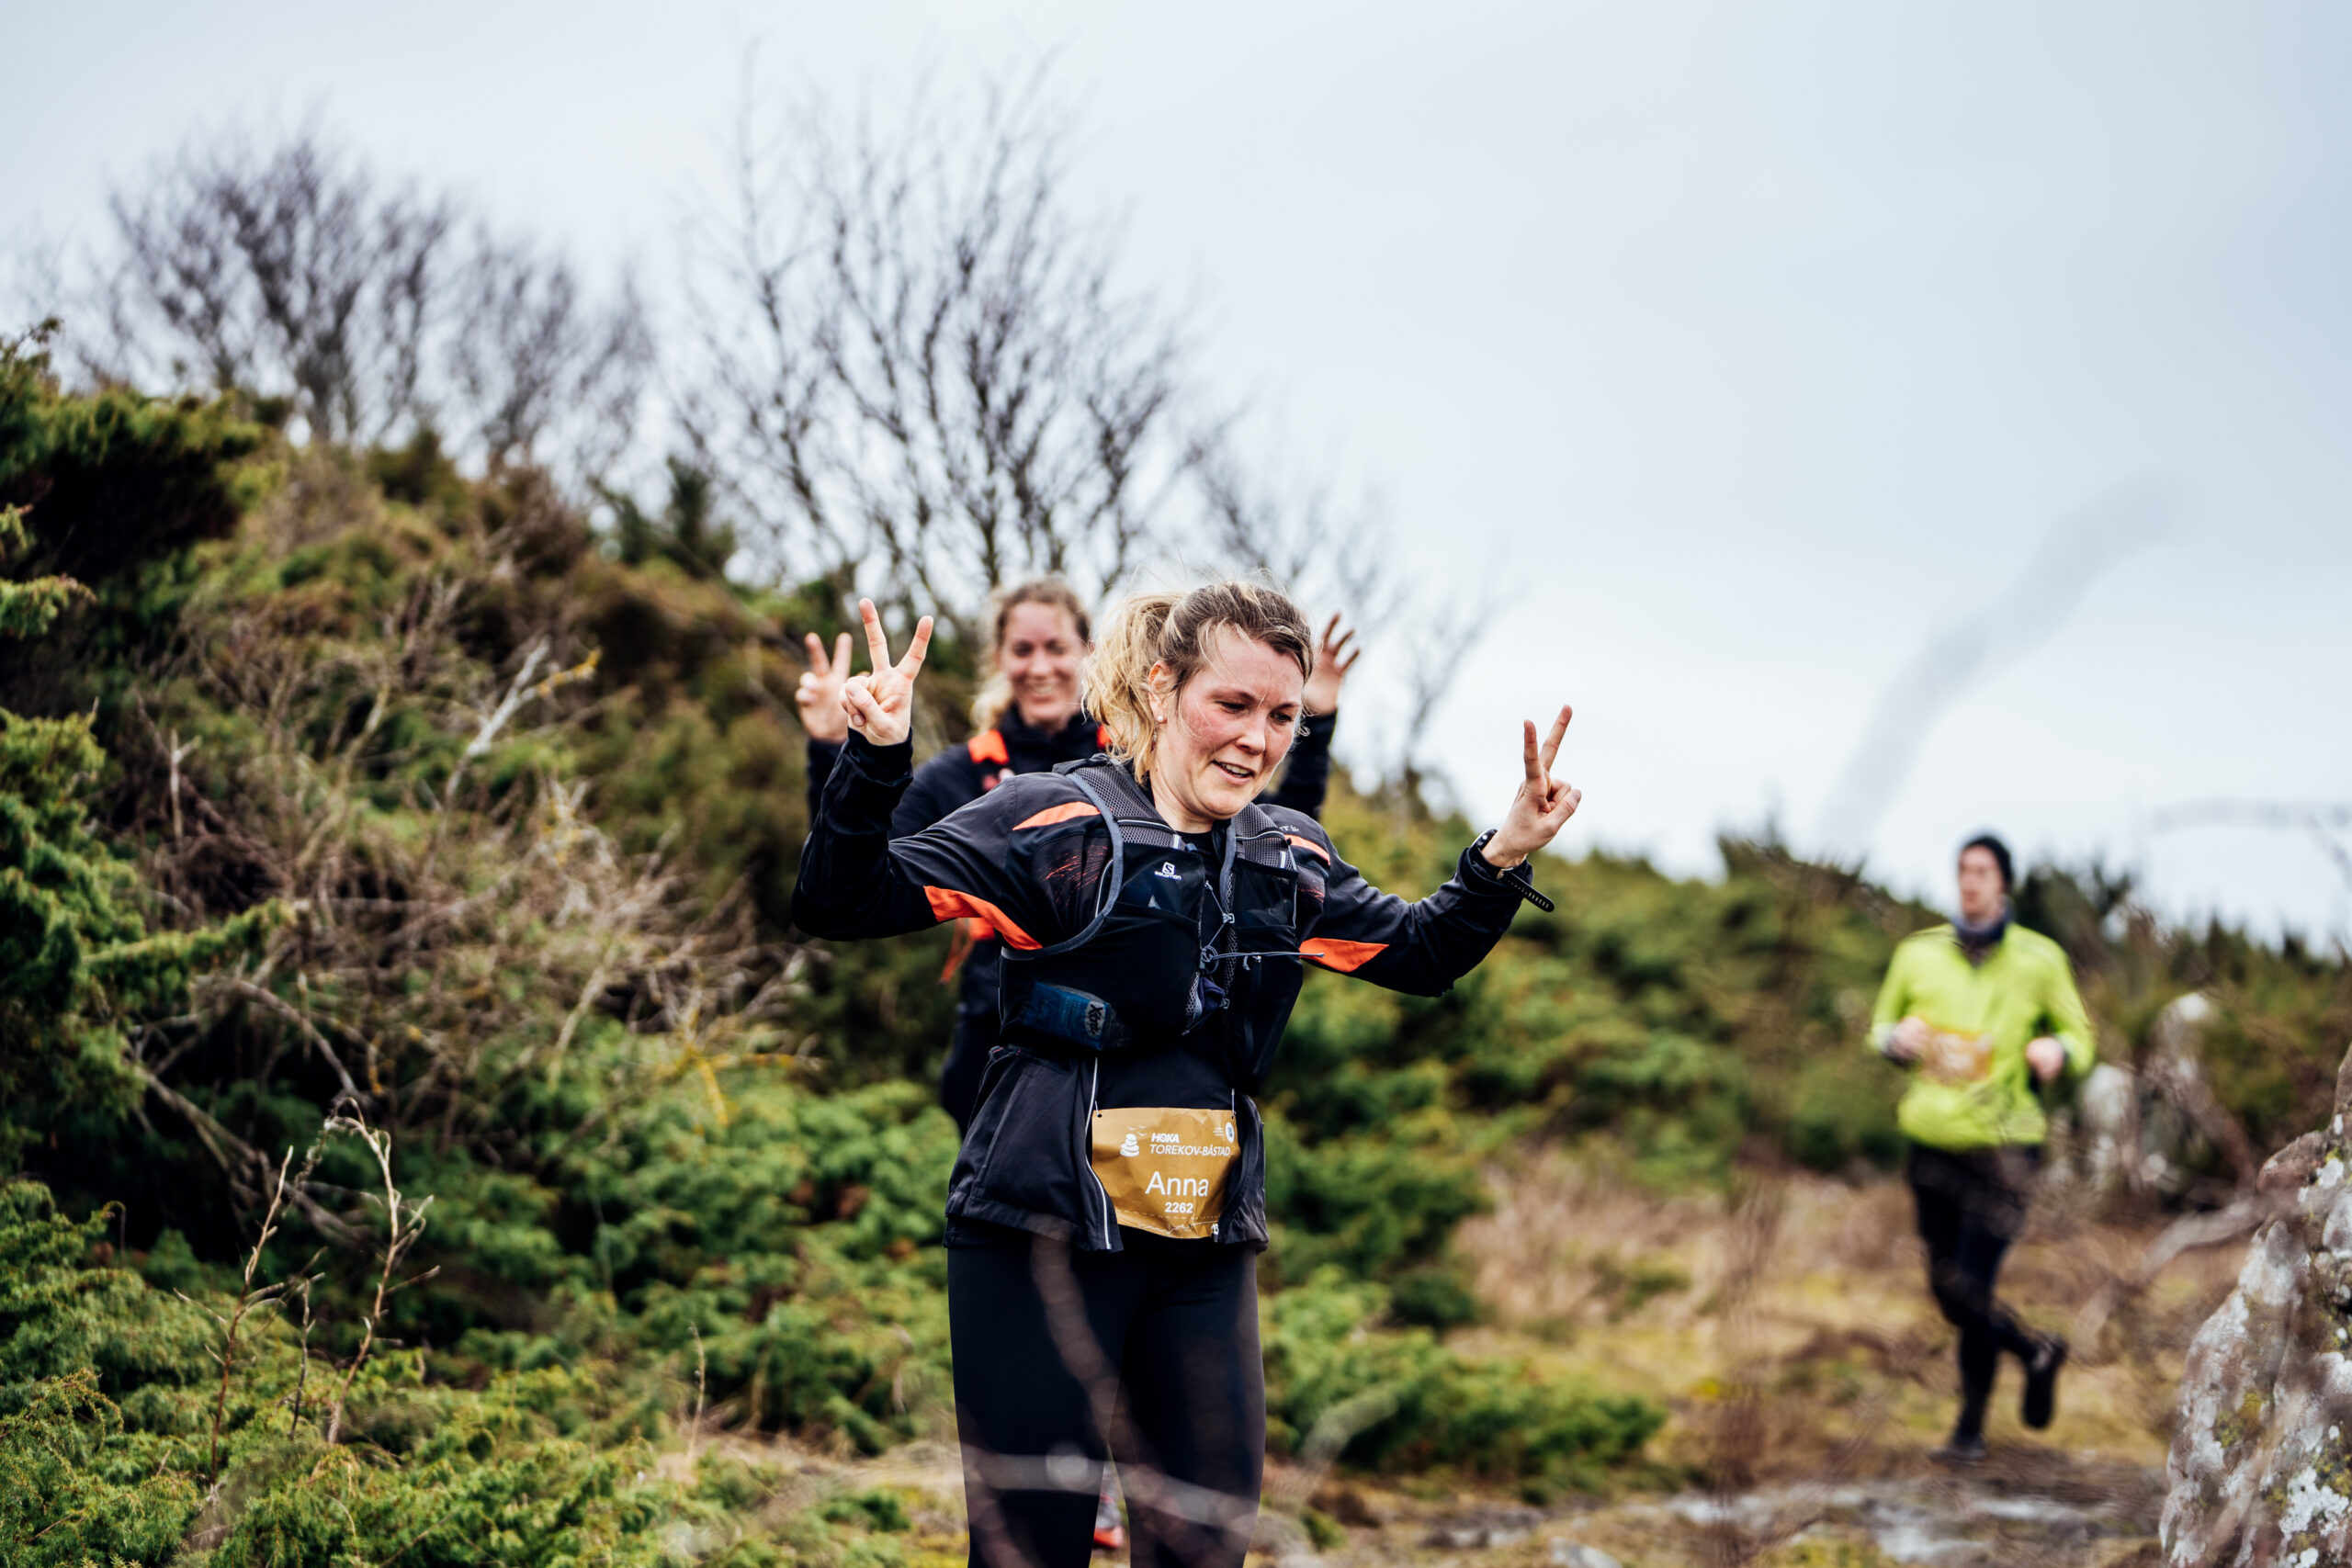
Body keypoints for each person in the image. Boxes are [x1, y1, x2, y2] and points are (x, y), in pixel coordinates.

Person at [794, 582, 1579, 1568]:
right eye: (1233, 705)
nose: (1257, 741)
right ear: (1161, 691)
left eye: (1283, 715)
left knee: (1202, 1551)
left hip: (1201, 1247)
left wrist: (1500, 856)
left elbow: (1417, 955)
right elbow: (842, 901)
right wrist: (871, 759)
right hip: (1038, 1244)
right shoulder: (1052, 823)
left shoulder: (1284, 853)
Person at [797, 579, 1359, 1133]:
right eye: (1022, 650)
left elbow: (1266, 840)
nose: (1040, 667)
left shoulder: (1136, 755)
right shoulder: (963, 771)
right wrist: (836, 749)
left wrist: (1319, 717)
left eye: (1056, 648)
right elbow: (849, 872)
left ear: (1088, 652)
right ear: (999, 659)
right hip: (998, 1025)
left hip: (1132, 1032)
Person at [1870, 832, 2095, 1463]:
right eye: (1963, 870)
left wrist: (2060, 1052)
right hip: (1931, 1142)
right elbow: (1880, 1027)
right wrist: (1897, 1038)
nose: (1970, 881)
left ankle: (1969, 1429)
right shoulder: (1917, 952)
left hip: (2006, 1149)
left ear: (2004, 883)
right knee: (1947, 1288)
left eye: (1983, 871)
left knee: (1972, 1282)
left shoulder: (2039, 958)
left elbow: (2081, 1035)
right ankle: (2034, 1350)